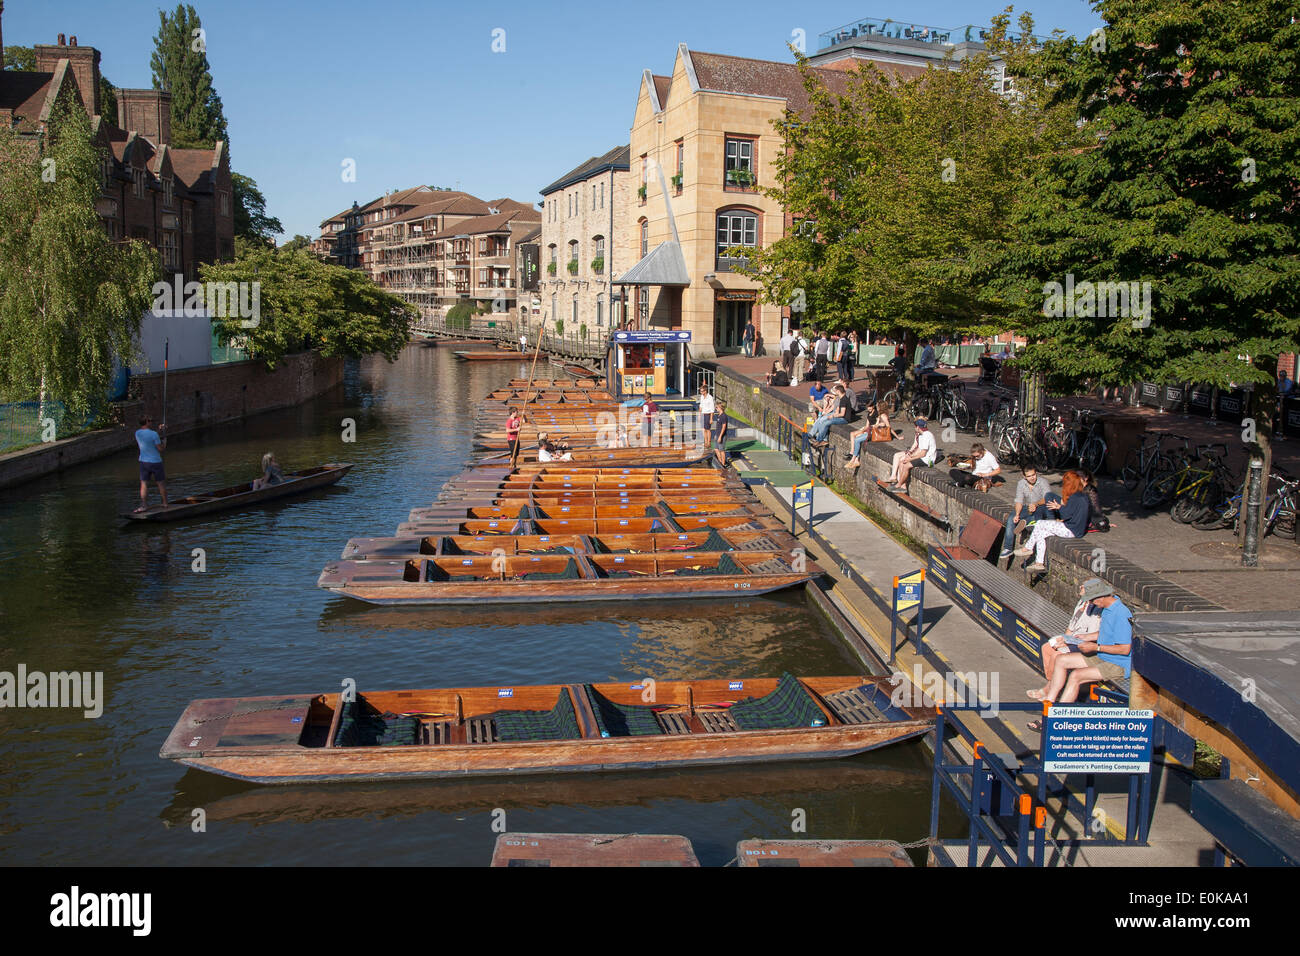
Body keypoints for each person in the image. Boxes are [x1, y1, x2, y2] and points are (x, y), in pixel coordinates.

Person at [1027, 583, 1131, 722]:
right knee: (1061, 660)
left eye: (1092, 600)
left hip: (1117, 664)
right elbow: (1108, 633)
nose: (1091, 603)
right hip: (1103, 655)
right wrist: (1087, 637)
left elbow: (1125, 648)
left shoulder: (1121, 614)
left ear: (1100, 598)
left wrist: (1095, 648)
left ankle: (1058, 719)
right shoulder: (1107, 609)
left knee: (1076, 676)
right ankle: (1049, 705)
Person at [1029, 579, 1104, 700]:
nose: (1080, 587)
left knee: (1056, 657)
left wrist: (1068, 642)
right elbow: (1071, 626)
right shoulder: (1081, 602)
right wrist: (1063, 638)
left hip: (1083, 643)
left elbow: (1091, 636)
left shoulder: (1098, 610)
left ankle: (1050, 690)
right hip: (1073, 639)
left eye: (1083, 586)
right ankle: (1051, 684)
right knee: (1046, 648)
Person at [1015, 472, 1089, 572]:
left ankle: (1028, 548)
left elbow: (1065, 515)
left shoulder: (1074, 497)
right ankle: (1039, 563)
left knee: (1040, 523)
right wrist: (1060, 507)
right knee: (1040, 534)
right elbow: (1073, 512)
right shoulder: (1082, 496)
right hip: (1077, 530)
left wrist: (1058, 507)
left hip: (1070, 529)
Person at [999, 466, 1051, 559]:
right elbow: (1019, 500)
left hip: (1041, 507)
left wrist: (1036, 504)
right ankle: (1008, 548)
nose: (1032, 478)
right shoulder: (1021, 484)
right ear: (1024, 476)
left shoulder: (1043, 482)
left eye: (1034, 475)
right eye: (1029, 476)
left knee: (1037, 517)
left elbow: (1047, 498)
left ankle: (1027, 521)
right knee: (1011, 518)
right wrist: (1017, 514)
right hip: (1027, 507)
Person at [886, 419, 937, 491]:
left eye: (915, 427)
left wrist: (910, 459)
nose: (915, 428)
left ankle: (899, 485)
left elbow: (923, 453)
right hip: (923, 457)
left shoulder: (926, 435)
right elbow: (919, 450)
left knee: (906, 465)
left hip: (928, 460)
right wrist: (909, 456)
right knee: (902, 462)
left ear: (918, 428)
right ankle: (903, 486)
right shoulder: (922, 435)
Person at [134, 416, 168, 512]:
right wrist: (164, 442)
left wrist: (159, 430)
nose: (152, 422)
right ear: (147, 422)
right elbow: (160, 449)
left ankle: (144, 505)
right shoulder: (153, 434)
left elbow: (149, 436)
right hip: (156, 462)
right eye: (150, 421)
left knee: (144, 484)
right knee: (161, 483)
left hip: (144, 463)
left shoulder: (137, 433)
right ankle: (165, 503)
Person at [845, 401, 891, 470]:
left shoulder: (882, 415)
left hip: (876, 433)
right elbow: (872, 425)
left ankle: (853, 459)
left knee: (857, 440)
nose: (877, 407)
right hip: (872, 431)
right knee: (856, 438)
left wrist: (879, 425)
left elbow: (888, 426)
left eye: (877, 406)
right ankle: (856, 460)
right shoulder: (879, 415)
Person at [712, 401, 729, 465]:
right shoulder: (719, 415)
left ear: (720, 408)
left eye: (717, 407)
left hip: (722, 436)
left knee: (721, 450)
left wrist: (720, 436)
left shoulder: (723, 416)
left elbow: (724, 427)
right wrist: (716, 435)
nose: (716, 409)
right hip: (717, 435)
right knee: (716, 449)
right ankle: (720, 462)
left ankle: (723, 463)